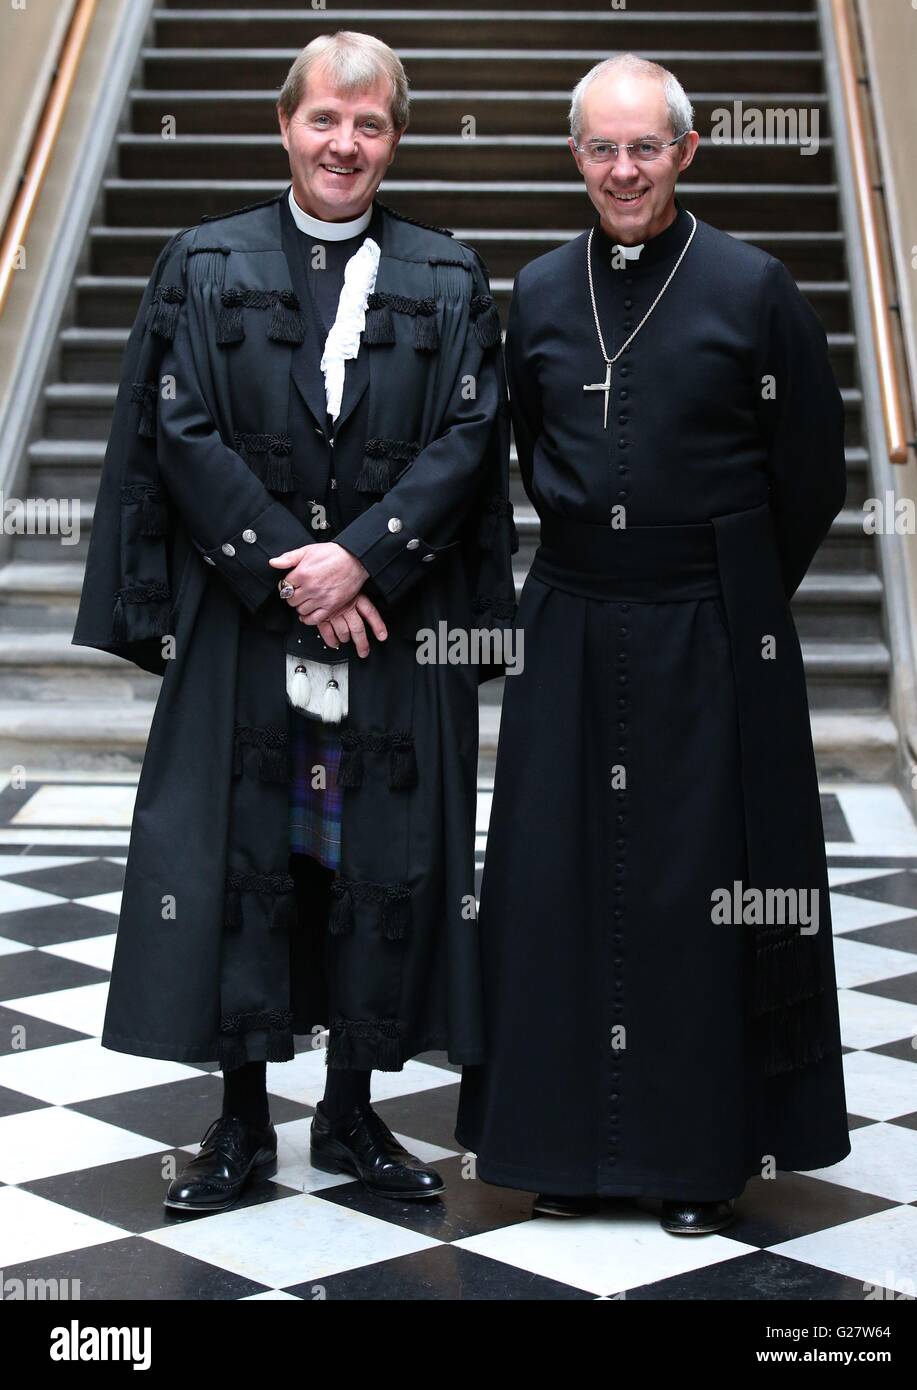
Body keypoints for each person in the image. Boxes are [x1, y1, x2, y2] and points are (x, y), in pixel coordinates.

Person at [72, 31, 515, 1211]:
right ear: (284, 126)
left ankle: (354, 1115)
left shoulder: (447, 275)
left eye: (370, 126)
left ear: (395, 141)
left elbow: (471, 437)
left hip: (392, 621)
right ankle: (236, 1122)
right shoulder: (202, 263)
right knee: (243, 854)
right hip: (244, 624)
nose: (345, 144)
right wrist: (291, 569)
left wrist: (362, 560)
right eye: (325, 119)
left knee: (375, 857)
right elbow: (179, 426)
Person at [455, 53, 852, 1235]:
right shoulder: (532, 289)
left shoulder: (753, 286)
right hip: (571, 623)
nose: (620, 169)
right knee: (552, 887)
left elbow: (812, 476)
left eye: (643, 146)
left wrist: (723, 594)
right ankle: (559, 1151)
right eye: (597, 147)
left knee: (695, 898)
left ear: (685, 150)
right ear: (572, 156)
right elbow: (503, 456)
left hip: (705, 634)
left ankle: (694, 1157)